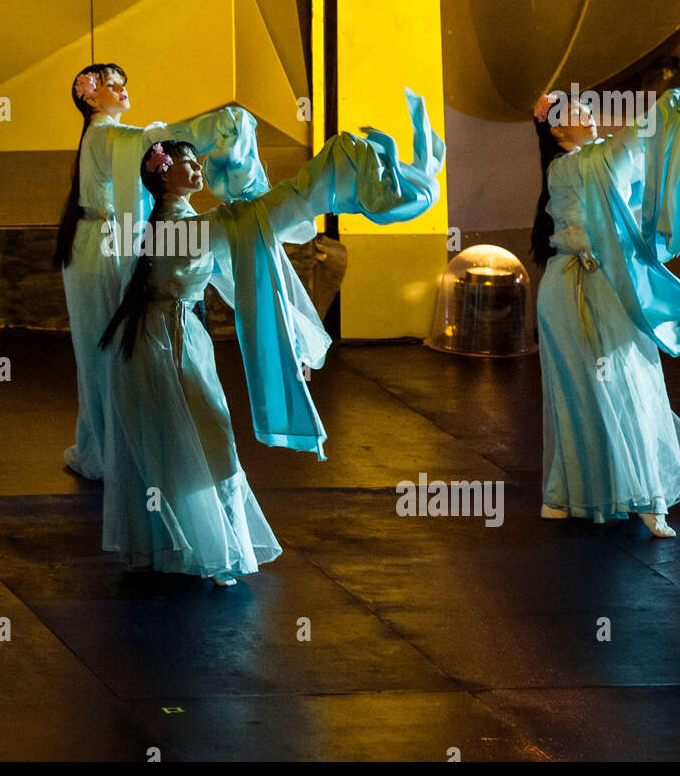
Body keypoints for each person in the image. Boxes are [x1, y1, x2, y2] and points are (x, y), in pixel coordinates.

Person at [99, 89, 445, 585]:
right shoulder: (172, 229)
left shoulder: (180, 225)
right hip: (160, 342)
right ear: (160, 174)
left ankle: (185, 547)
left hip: (172, 337)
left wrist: (305, 190)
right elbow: (250, 221)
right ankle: (209, 550)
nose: (197, 167)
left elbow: (245, 234)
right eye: (184, 162)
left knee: (189, 439)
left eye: (197, 160)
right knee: (201, 439)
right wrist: (314, 183)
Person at [530, 87, 680, 537]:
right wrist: (661, 110)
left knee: (631, 379)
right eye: (578, 111)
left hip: (603, 283)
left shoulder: (594, 161)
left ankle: (641, 496)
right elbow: (630, 145)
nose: (590, 115)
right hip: (569, 287)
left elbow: (638, 163)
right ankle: (572, 494)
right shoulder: (568, 168)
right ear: (557, 128)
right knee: (581, 392)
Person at [52, 63, 273, 482]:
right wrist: (215, 125)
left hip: (103, 240)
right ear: (89, 96)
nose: (121, 90)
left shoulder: (110, 136)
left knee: (108, 345)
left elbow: (151, 144)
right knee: (102, 347)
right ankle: (108, 449)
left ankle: (116, 444)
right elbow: (155, 145)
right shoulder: (104, 135)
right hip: (97, 246)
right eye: (111, 85)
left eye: (123, 83)